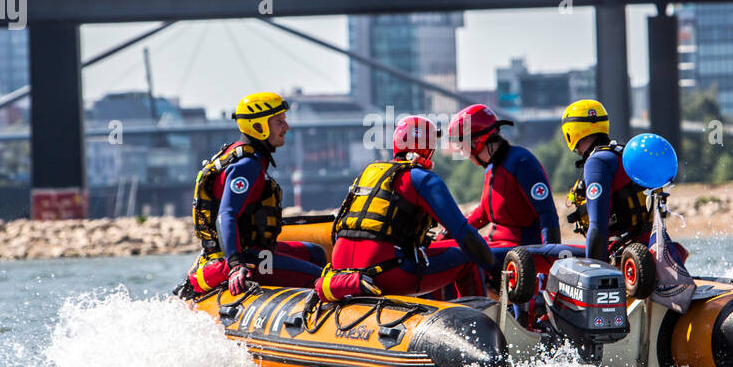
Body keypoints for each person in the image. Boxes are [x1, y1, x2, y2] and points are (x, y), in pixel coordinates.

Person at [315, 115, 493, 302]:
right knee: (468, 257)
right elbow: (464, 234)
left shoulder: (370, 172)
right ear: (428, 147)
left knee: (428, 255)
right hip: (384, 273)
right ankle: (479, 323)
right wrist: (493, 266)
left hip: (340, 271)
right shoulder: (421, 178)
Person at [182, 91, 326, 296]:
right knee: (323, 279)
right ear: (259, 127)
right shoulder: (246, 166)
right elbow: (226, 215)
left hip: (254, 251)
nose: (287, 127)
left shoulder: (248, 158)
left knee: (316, 253)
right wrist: (235, 265)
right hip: (246, 258)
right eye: (279, 122)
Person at [447, 103, 560, 247]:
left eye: (463, 147)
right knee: (437, 250)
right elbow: (483, 213)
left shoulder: (522, 162)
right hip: (495, 246)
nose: (464, 153)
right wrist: (449, 232)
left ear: (478, 141)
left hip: (518, 251)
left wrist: (549, 256)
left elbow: (547, 213)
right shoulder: (492, 167)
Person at [559, 99, 652, 263]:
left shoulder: (597, 161)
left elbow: (597, 227)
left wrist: (594, 271)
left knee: (528, 253)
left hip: (619, 255)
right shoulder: (624, 154)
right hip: (648, 250)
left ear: (570, 131)